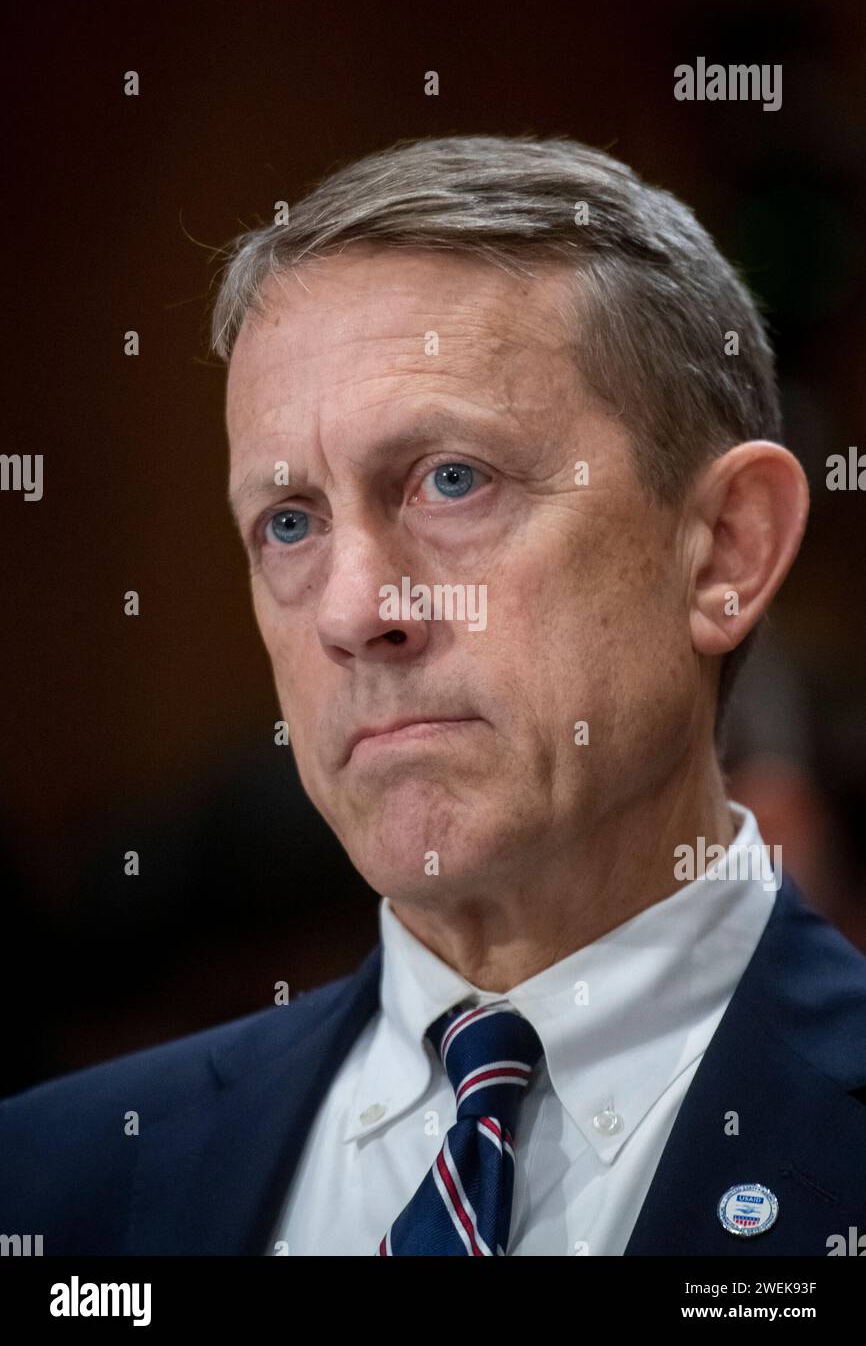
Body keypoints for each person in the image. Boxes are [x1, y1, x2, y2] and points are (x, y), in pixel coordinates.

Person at [2, 134, 865, 1256]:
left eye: (451, 479)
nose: (354, 610)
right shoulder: (46, 1183)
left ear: (723, 550)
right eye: (290, 522)